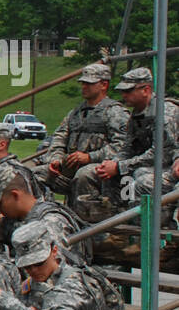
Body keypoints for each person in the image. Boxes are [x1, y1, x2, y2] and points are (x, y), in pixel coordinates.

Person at [34, 62, 129, 215]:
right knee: (35, 174)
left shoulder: (115, 112)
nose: (84, 87)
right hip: (70, 169)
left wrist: (89, 157)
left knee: (84, 174)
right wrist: (56, 159)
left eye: (89, 83)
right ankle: (43, 217)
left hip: (101, 172)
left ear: (104, 85)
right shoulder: (76, 113)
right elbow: (59, 137)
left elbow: (122, 146)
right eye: (83, 83)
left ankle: (85, 224)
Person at [95, 67, 179, 206]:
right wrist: (113, 163)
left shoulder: (164, 113)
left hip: (169, 166)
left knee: (141, 178)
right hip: (150, 164)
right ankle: (117, 213)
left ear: (146, 90)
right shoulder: (137, 114)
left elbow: (161, 155)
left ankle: (147, 220)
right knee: (109, 175)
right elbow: (128, 147)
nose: (124, 95)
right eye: (122, 91)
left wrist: (119, 166)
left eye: (128, 91)